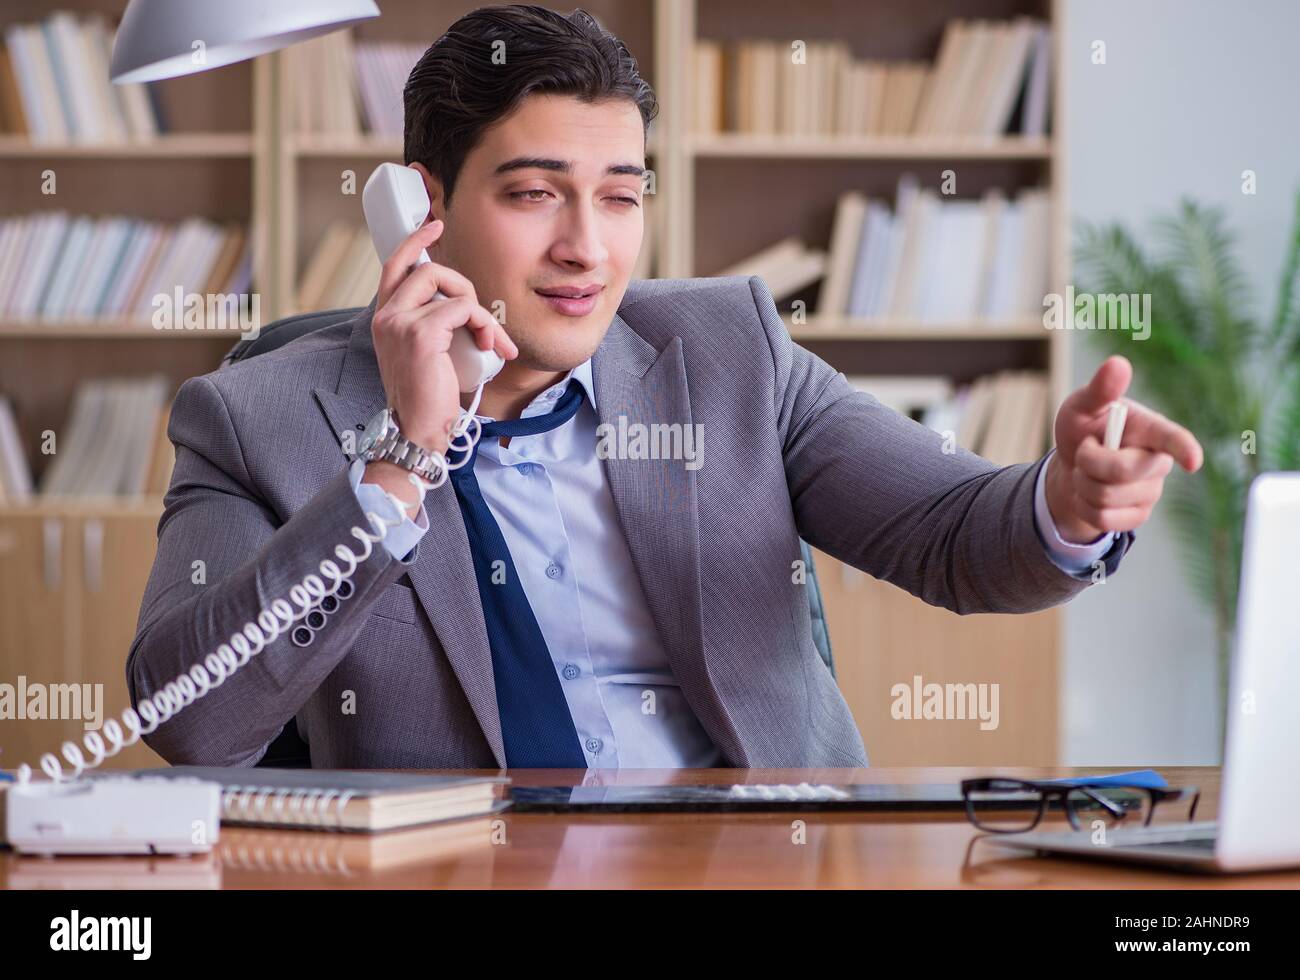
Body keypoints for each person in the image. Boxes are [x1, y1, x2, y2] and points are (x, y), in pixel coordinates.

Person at [128, 4, 1202, 769]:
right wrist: (402, 460)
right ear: (422, 210)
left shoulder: (727, 351)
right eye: (535, 193)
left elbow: (951, 531)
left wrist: (1062, 508)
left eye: (619, 194)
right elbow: (189, 718)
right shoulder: (255, 414)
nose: (585, 248)